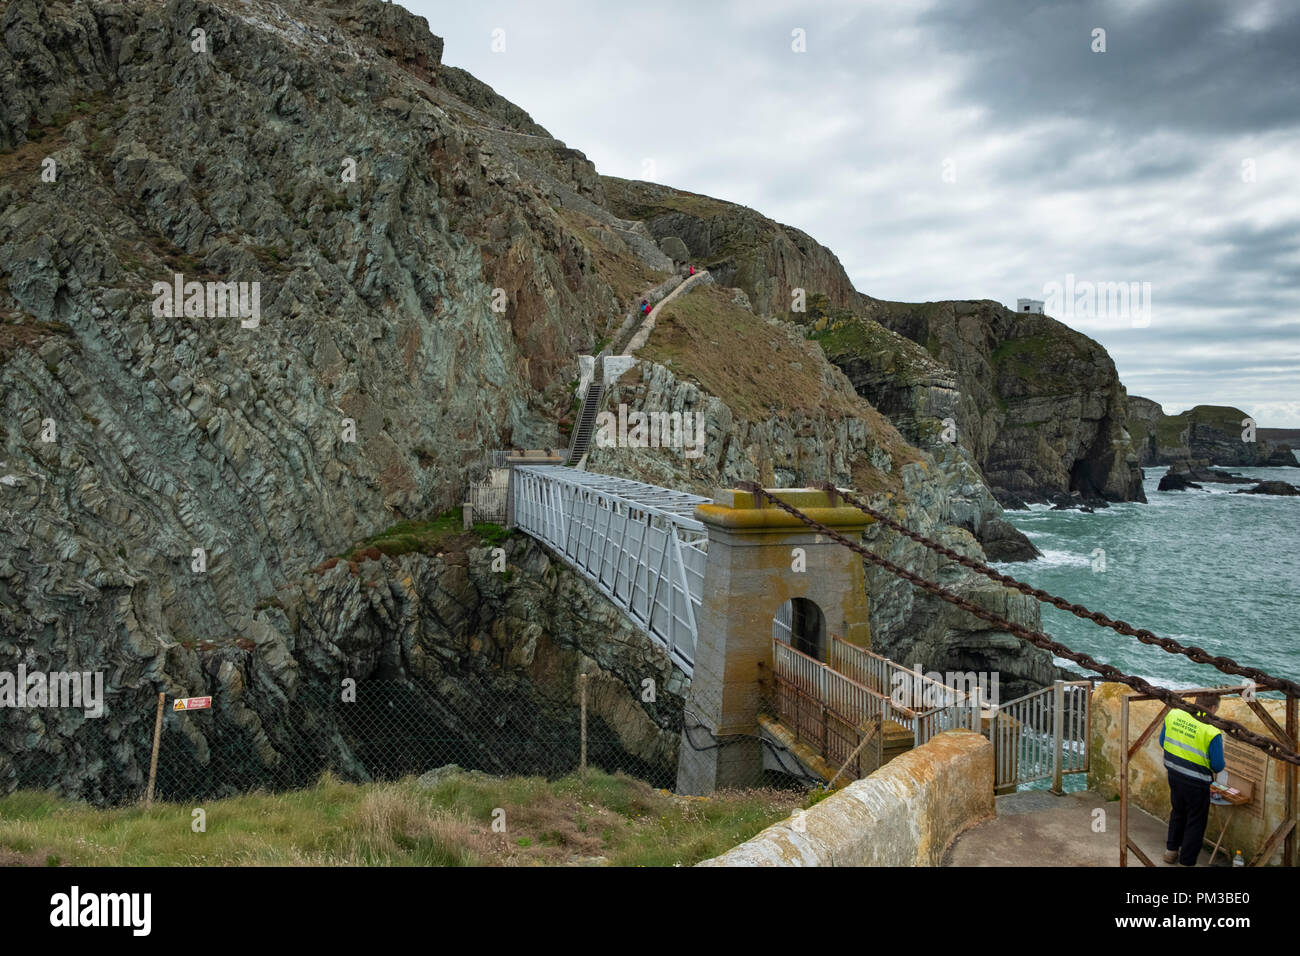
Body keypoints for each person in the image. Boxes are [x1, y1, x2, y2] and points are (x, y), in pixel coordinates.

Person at [1160, 694, 1225, 866]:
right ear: (1212, 709)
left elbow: (1162, 741)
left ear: (1196, 702)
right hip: (1197, 783)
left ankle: (1171, 851)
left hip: (1174, 774)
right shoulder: (1212, 732)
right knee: (1195, 822)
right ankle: (1187, 862)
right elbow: (1218, 765)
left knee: (1178, 811)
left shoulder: (1173, 715)